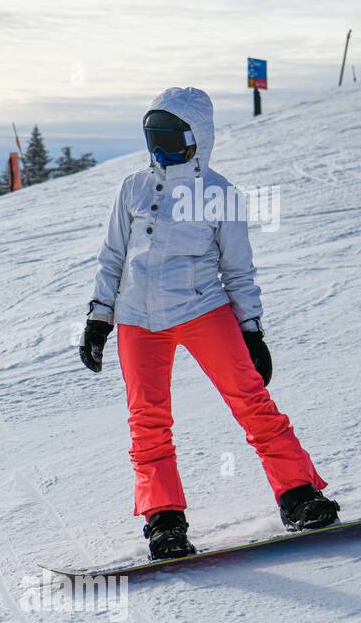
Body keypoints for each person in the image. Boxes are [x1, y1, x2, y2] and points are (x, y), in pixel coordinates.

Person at [79, 86, 339, 560]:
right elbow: (113, 255)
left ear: (196, 138)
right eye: (152, 137)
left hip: (203, 310)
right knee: (147, 421)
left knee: (252, 402)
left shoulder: (221, 194)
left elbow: (238, 270)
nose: (160, 150)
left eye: (170, 139)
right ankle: (164, 521)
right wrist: (100, 317)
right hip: (138, 318)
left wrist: (251, 329)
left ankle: (299, 495)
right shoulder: (132, 188)